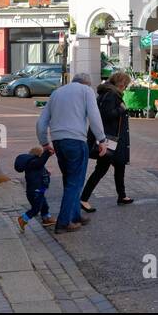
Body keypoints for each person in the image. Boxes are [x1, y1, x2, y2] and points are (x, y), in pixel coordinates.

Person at [36, 72, 109, 234]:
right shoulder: (86, 91)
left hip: (58, 141)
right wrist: (102, 139)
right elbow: (94, 116)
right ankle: (64, 222)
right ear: (87, 84)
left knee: (69, 179)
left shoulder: (56, 93)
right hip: (76, 140)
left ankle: (75, 215)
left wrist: (44, 142)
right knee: (75, 182)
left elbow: (41, 122)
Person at [81, 73, 133, 210]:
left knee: (120, 165)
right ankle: (83, 198)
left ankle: (122, 195)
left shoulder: (106, 94)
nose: (125, 88)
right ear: (121, 84)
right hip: (109, 139)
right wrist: (121, 109)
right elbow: (106, 115)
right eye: (125, 86)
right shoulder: (111, 95)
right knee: (101, 169)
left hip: (111, 138)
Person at [13, 144, 56, 232]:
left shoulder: (35, 164)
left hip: (39, 190)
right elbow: (40, 163)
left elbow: (40, 170)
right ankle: (23, 218)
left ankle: (46, 218)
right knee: (36, 209)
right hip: (36, 191)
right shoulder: (33, 163)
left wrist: (47, 174)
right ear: (39, 155)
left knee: (44, 205)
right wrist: (47, 153)